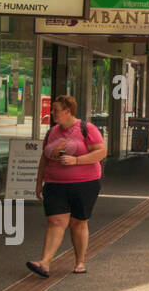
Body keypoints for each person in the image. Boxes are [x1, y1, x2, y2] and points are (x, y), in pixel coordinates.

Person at [26, 95, 105, 278]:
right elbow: (44, 158)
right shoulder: (52, 131)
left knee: (78, 223)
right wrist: (39, 182)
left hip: (85, 183)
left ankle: (79, 262)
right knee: (55, 222)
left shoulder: (87, 129)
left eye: (56, 110)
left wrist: (76, 160)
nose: (52, 113)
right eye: (52, 109)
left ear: (68, 111)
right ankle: (45, 263)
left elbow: (101, 151)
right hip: (55, 184)